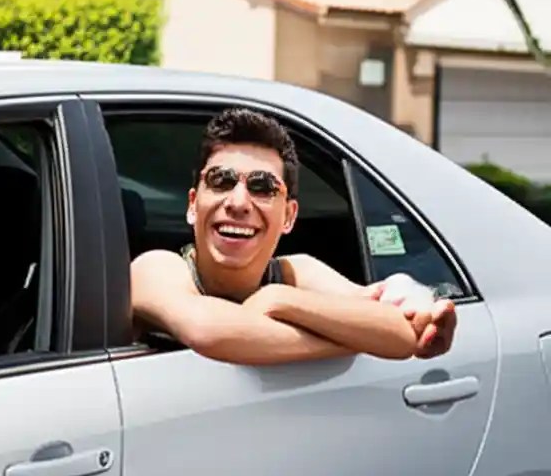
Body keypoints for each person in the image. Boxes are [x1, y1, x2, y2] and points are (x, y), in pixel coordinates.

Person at [130, 107, 457, 366]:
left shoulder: (294, 274)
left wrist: (280, 300)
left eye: (263, 187)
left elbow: (399, 335)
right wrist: (361, 337)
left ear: (288, 216)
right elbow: (209, 331)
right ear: (192, 205)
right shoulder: (157, 268)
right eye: (221, 181)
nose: (238, 202)